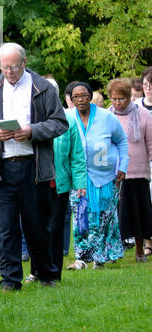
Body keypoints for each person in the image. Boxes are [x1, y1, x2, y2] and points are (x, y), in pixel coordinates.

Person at [0, 43, 68, 290]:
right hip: (2, 167)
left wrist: (32, 131)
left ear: (24, 63)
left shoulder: (42, 88)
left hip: (33, 168)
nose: (9, 72)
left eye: (13, 67)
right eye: (4, 67)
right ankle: (10, 280)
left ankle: (46, 275)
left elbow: (60, 123)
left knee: (37, 226)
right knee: (5, 228)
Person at [66, 81, 127, 269]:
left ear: (90, 97)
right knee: (81, 216)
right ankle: (82, 257)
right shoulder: (67, 117)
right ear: (71, 99)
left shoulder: (106, 117)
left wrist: (122, 166)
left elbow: (122, 140)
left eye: (84, 95)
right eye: (75, 96)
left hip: (105, 176)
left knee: (103, 217)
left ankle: (100, 258)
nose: (80, 99)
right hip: (79, 178)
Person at [110, 78, 152, 262]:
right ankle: (111, 252)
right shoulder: (107, 116)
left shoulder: (143, 115)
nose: (118, 103)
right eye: (114, 99)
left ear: (129, 97)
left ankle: (140, 249)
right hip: (114, 172)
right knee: (116, 213)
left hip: (138, 171)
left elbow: (150, 143)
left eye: (121, 99)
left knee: (139, 212)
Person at [48, 98, 87, 277]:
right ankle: (37, 270)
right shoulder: (31, 120)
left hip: (59, 182)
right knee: (36, 226)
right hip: (34, 183)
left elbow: (77, 155)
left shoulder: (68, 121)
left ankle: (55, 270)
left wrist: (79, 183)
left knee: (56, 226)